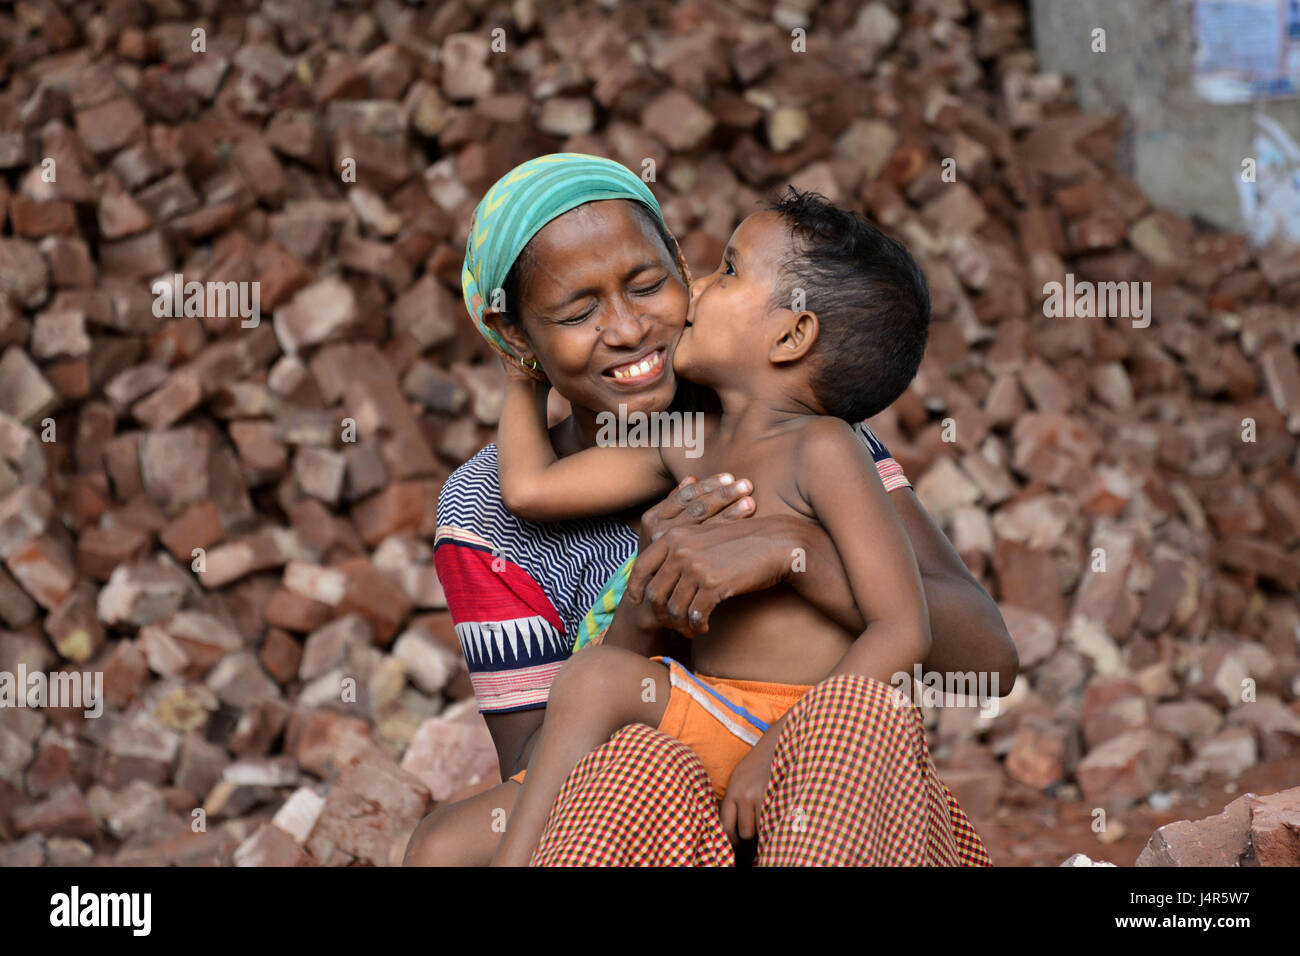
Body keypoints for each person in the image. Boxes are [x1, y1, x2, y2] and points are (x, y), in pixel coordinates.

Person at [402, 153, 1015, 866]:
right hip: (648, 769)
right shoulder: (494, 514)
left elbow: (983, 658)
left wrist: (794, 554)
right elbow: (544, 758)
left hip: (812, 764)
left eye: (651, 283)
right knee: (444, 847)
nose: (629, 330)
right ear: (516, 335)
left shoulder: (816, 434)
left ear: (681, 271)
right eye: (578, 311)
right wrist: (644, 609)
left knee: (862, 722)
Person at [490, 189, 935, 865]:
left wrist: (778, 751)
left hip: (801, 728)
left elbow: (904, 628)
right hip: (710, 713)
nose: (695, 286)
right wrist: (526, 360)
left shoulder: (827, 450)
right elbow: (530, 489)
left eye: (728, 272)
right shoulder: (689, 440)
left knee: (600, 683)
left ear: (790, 334)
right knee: (594, 679)